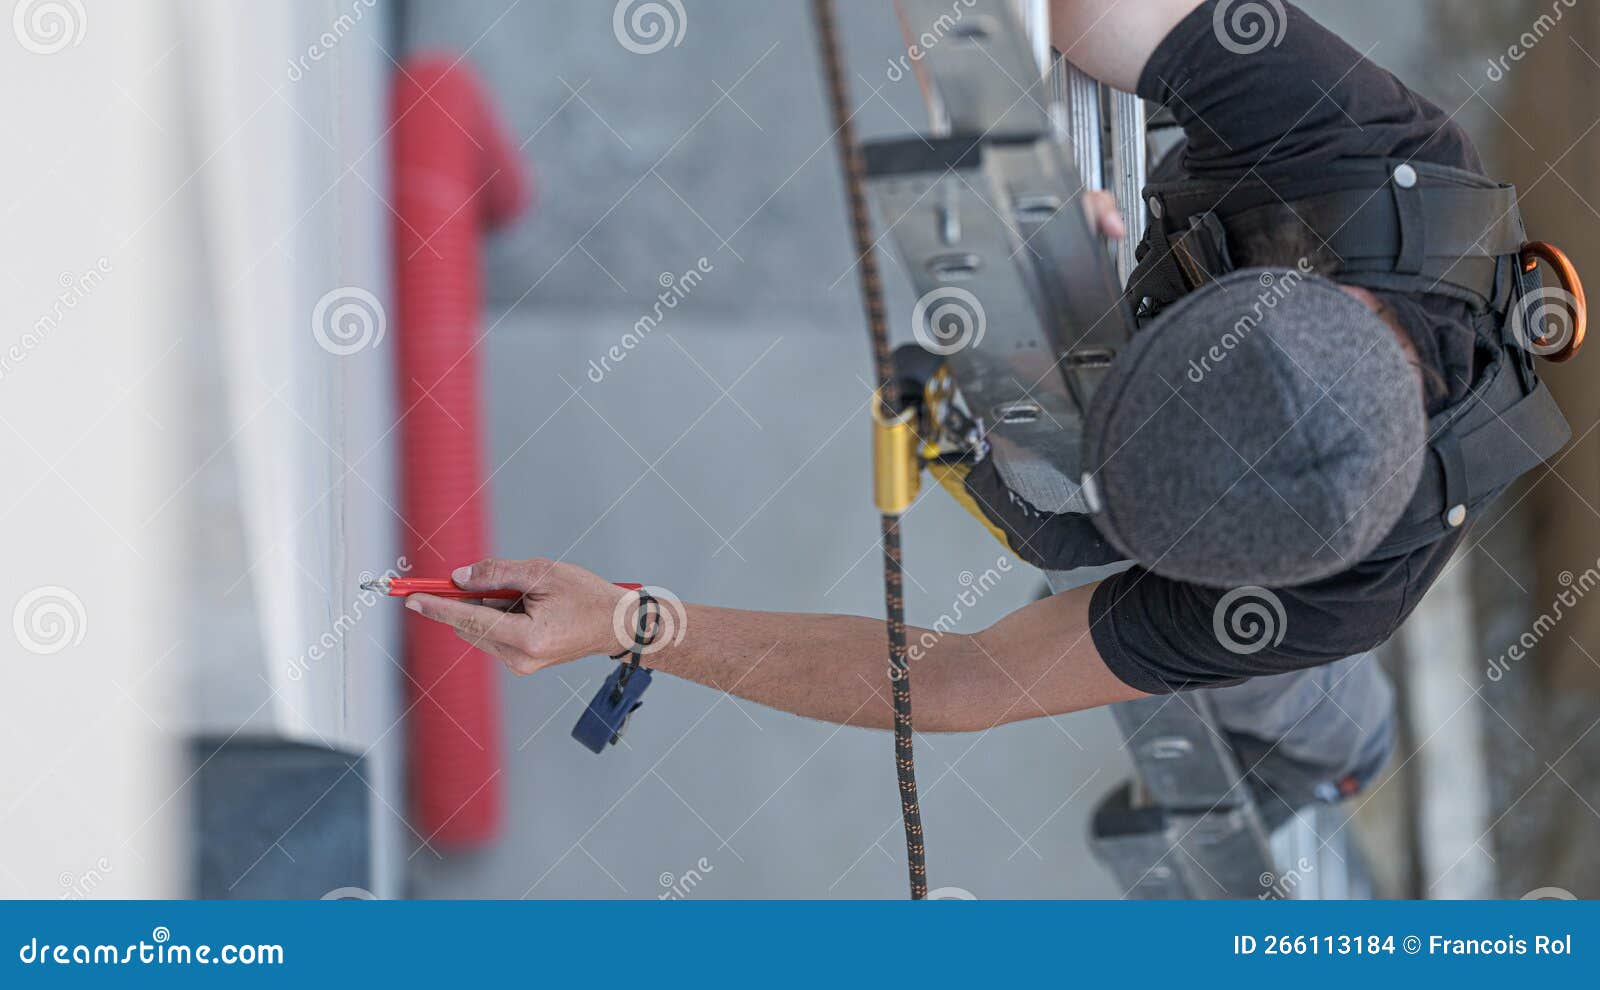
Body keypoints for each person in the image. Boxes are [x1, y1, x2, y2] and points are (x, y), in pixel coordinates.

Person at [406, 0, 1566, 828]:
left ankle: (1335, 759)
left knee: (1292, 695)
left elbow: (963, 682)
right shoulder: (1363, 152)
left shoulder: (1342, 589)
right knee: (1052, 489)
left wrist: (634, 623)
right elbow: (1087, 13)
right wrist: (989, 95)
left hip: (1301, 621)